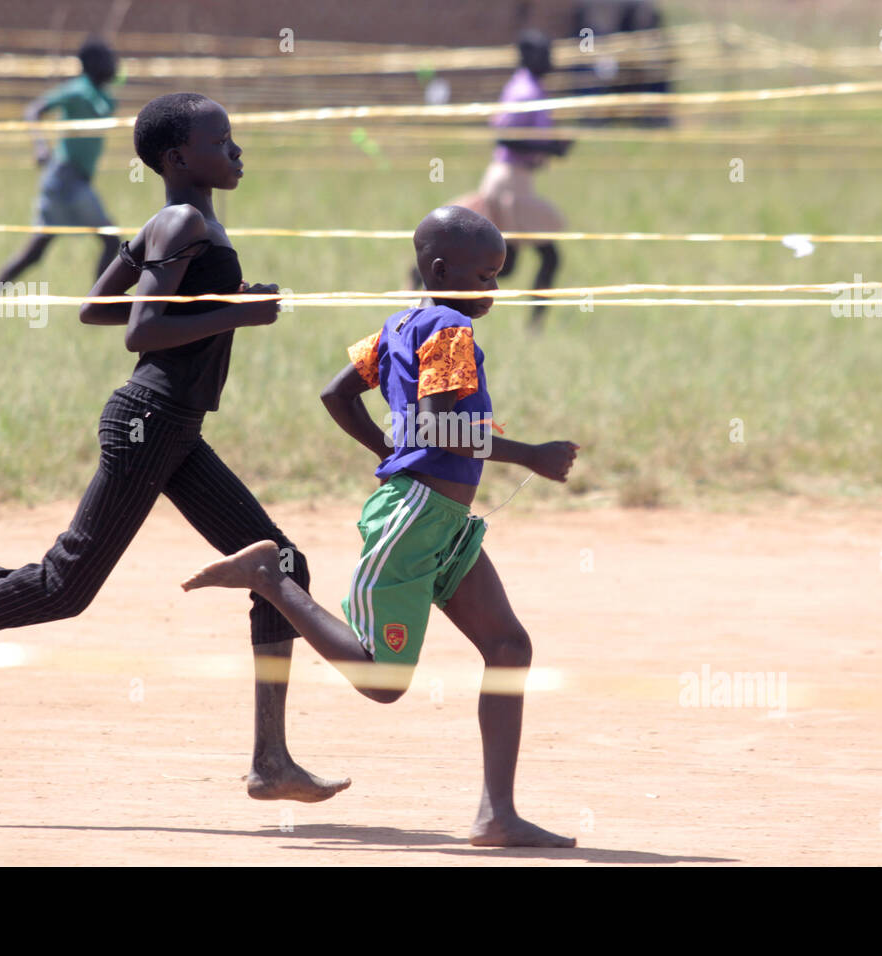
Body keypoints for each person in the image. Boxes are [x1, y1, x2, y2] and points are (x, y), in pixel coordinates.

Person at [0, 93, 350, 805]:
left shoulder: (171, 224)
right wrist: (231, 311)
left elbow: (94, 306)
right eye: (221, 140)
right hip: (151, 420)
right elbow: (137, 330)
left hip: (173, 428)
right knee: (63, 587)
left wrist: (218, 304)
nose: (236, 152)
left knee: (280, 563)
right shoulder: (182, 220)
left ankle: (270, 761)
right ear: (177, 159)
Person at [184, 205, 580, 847]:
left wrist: (388, 454)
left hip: (441, 518)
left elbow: (336, 394)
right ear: (441, 268)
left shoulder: (397, 326)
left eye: (499, 275)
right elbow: (436, 424)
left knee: (509, 648)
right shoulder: (449, 327)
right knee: (383, 681)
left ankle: (495, 815)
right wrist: (530, 454)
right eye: (484, 275)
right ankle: (269, 579)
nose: (495, 290)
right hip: (416, 516)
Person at [429, 30, 572, 331]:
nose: (550, 60)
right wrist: (550, 147)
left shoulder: (531, 88)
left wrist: (552, 145)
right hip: (508, 183)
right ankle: (533, 325)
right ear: (529, 56)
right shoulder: (525, 91)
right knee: (536, 259)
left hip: (516, 181)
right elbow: (505, 135)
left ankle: (434, 288)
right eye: (545, 54)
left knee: (509, 265)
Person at [0, 37, 121, 319]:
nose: (115, 64)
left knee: (35, 253)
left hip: (75, 180)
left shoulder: (102, 96)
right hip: (66, 179)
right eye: (109, 59)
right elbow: (34, 110)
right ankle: (97, 306)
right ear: (92, 64)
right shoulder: (77, 91)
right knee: (111, 239)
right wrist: (40, 145)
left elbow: (109, 103)